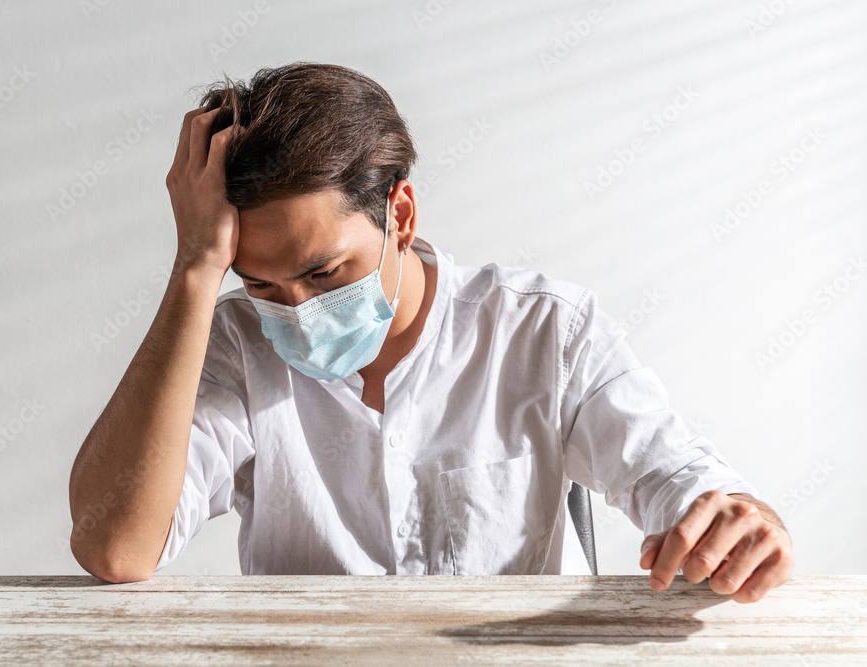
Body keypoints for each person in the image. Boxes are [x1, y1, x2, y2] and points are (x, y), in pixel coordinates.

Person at [68, 62, 793, 602]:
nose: (293, 309)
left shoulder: (545, 332)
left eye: (323, 274)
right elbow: (116, 547)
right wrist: (197, 269)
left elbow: (676, 476)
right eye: (259, 281)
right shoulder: (232, 344)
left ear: (400, 216)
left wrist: (738, 519)